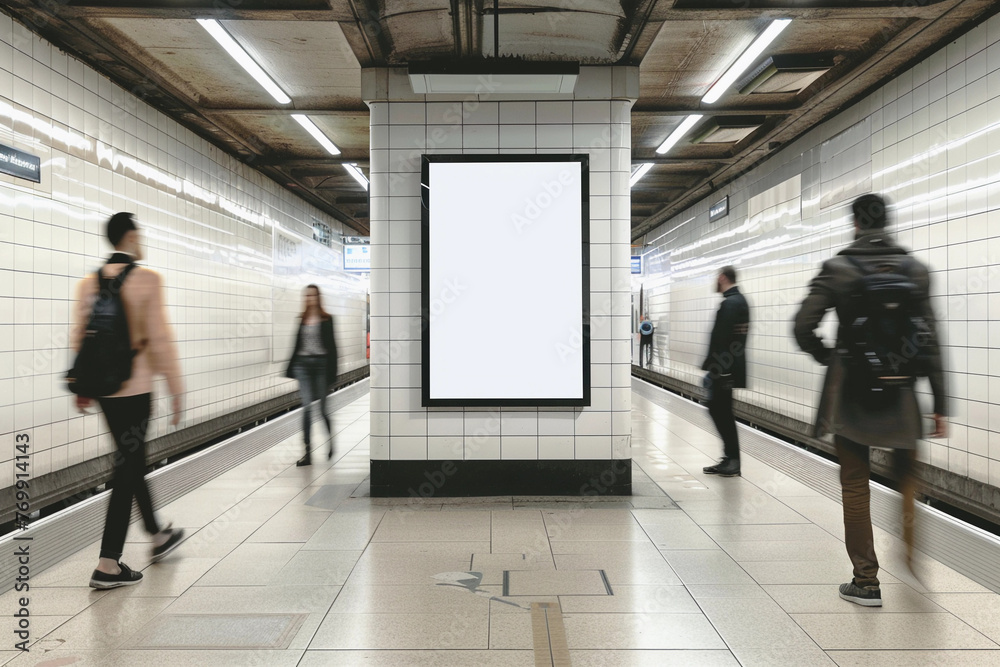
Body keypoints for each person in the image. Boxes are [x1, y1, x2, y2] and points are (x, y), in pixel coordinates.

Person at [793, 193, 947, 607]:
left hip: (852, 396)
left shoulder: (839, 268)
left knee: (856, 487)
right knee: (907, 482)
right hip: (902, 398)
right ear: (887, 222)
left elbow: (802, 325)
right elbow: (931, 341)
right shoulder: (916, 271)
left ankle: (866, 581)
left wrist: (829, 356)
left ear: (855, 224)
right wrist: (941, 404)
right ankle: (912, 555)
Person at [71, 213, 186, 589]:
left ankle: (157, 535)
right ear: (131, 236)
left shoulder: (88, 284)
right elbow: (159, 338)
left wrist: (83, 386)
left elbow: (80, 336)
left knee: (130, 460)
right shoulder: (148, 280)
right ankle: (108, 563)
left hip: (104, 390)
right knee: (127, 467)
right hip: (135, 389)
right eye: (141, 233)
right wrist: (176, 387)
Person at [701, 266, 750, 477]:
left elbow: (723, 340)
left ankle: (733, 460)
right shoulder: (738, 301)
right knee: (719, 410)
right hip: (725, 369)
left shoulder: (731, 303)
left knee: (721, 412)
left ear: (722, 277)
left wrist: (718, 371)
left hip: (724, 370)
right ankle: (729, 458)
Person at [285, 285, 338, 466]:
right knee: (307, 407)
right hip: (303, 366)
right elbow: (296, 344)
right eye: (307, 295)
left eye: (313, 295)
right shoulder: (302, 319)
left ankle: (331, 441)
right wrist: (290, 367)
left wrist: (333, 374)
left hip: (321, 366)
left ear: (318, 297)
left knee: (322, 410)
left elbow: (333, 347)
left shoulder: (327, 319)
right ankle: (307, 452)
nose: (310, 298)